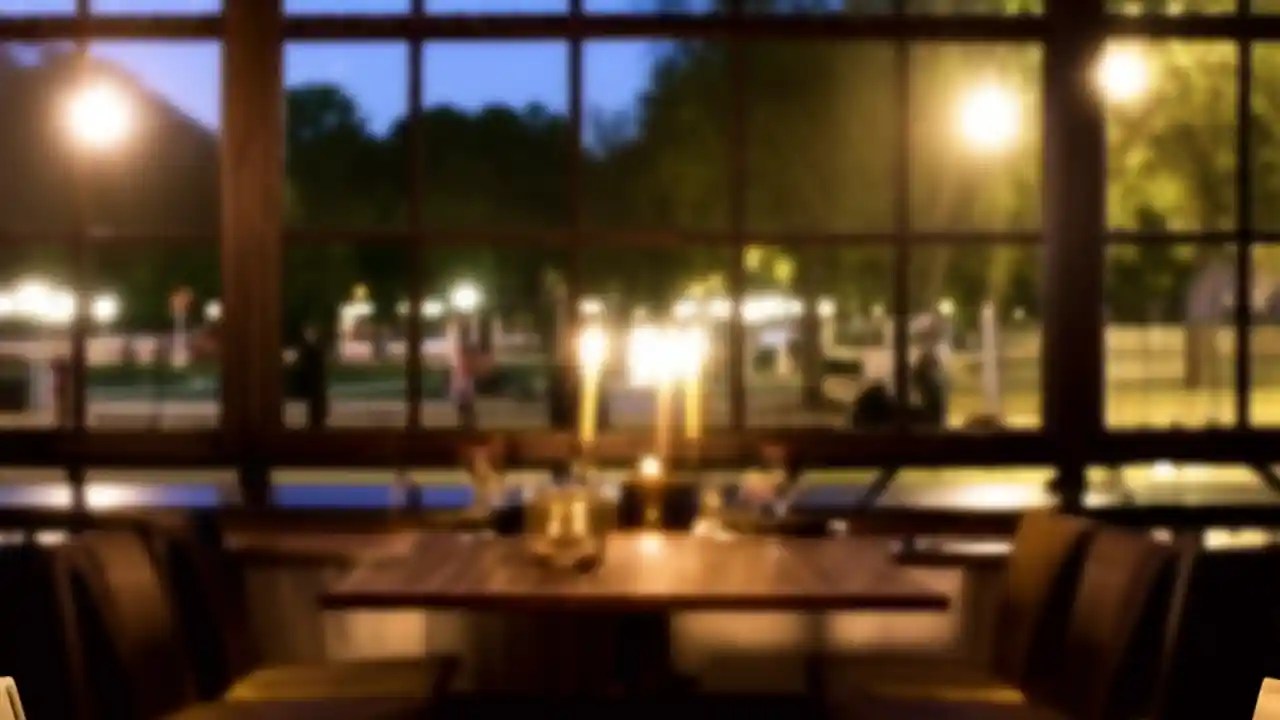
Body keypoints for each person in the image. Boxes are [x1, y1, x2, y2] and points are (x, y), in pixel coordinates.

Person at [297, 326, 328, 430]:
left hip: (316, 378)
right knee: (315, 401)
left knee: (317, 401)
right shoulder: (310, 346)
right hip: (314, 379)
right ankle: (316, 422)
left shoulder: (314, 346)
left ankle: (318, 422)